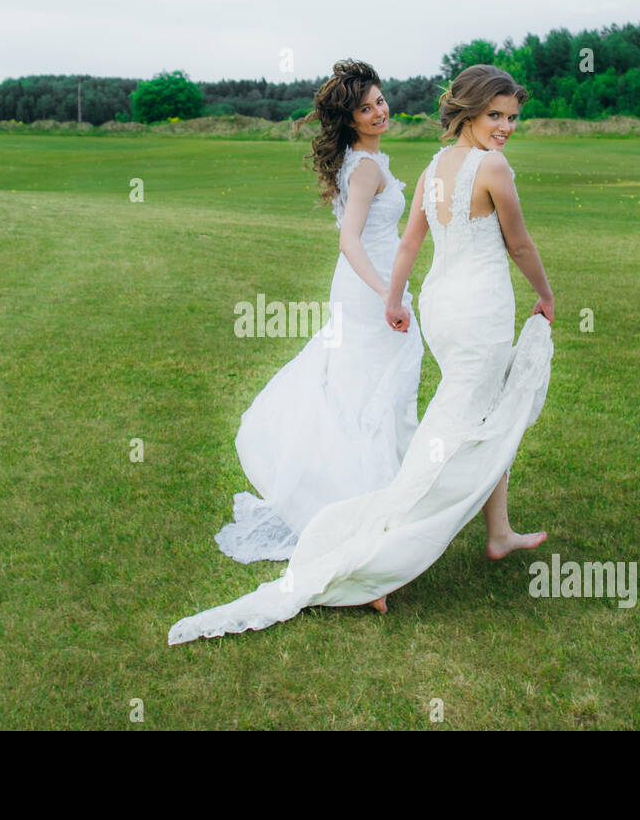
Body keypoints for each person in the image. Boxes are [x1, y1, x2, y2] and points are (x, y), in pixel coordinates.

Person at [170, 65, 554, 644]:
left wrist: (397, 294)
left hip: (433, 302)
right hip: (429, 303)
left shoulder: (426, 168)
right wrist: (390, 295)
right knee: (414, 418)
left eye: (511, 117)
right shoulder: (420, 166)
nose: (505, 126)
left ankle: (493, 529)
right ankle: (376, 550)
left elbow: (407, 241)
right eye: (495, 116)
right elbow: (511, 241)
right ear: (470, 113)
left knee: (425, 411)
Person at [216, 59, 423, 563]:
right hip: (367, 290)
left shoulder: (365, 158)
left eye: (379, 101)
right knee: (367, 399)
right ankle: (361, 524)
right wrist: (385, 294)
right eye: (366, 108)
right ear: (350, 119)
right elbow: (350, 239)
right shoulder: (367, 168)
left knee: (367, 394)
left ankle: (379, 511)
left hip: (367, 287)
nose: (379, 112)